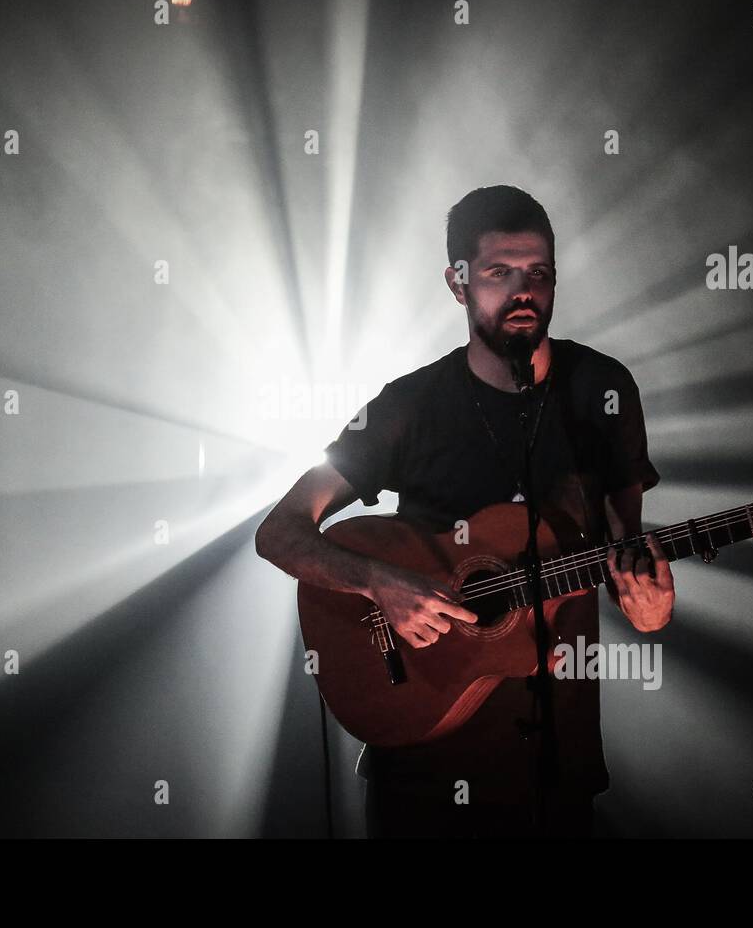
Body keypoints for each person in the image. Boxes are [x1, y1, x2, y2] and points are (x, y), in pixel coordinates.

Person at [255, 185, 675, 837]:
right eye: (499, 273)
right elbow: (278, 532)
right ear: (458, 283)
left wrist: (650, 606)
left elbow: (631, 568)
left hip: (555, 768)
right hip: (419, 760)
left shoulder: (603, 391)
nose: (523, 292)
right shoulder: (405, 407)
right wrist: (379, 583)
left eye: (538, 273)